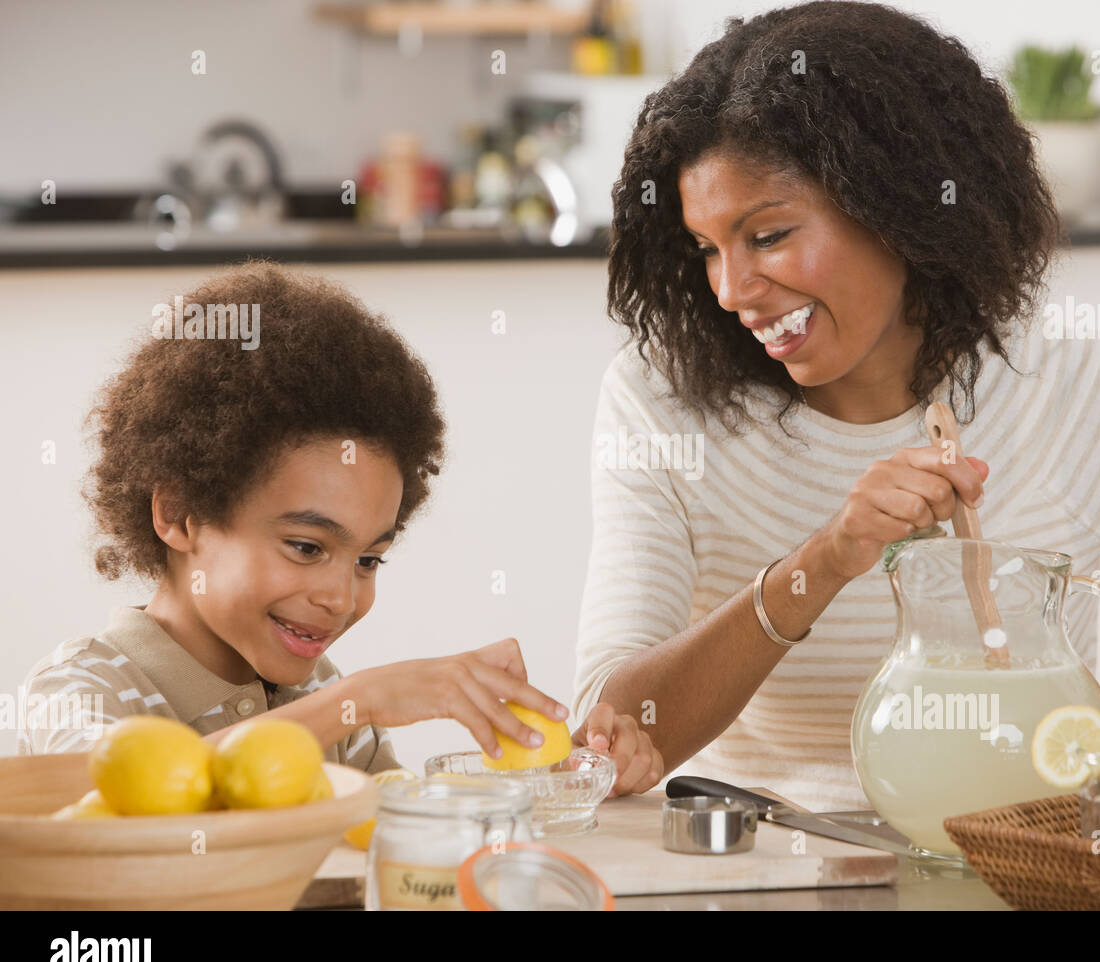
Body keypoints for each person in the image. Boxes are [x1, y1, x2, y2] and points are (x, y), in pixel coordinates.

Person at [573, 1, 1100, 812]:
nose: (732, 291)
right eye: (707, 248)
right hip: (761, 867)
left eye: (769, 236)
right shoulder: (664, 405)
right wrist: (825, 560)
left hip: (1027, 866)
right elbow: (605, 732)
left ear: (899, 207)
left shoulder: (1098, 393)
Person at [20, 261, 662, 797]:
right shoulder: (80, 690)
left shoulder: (324, 696)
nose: (341, 597)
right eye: (306, 547)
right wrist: (360, 700)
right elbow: (114, 822)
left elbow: (400, 850)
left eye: (368, 560)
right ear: (180, 514)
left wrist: (562, 776)